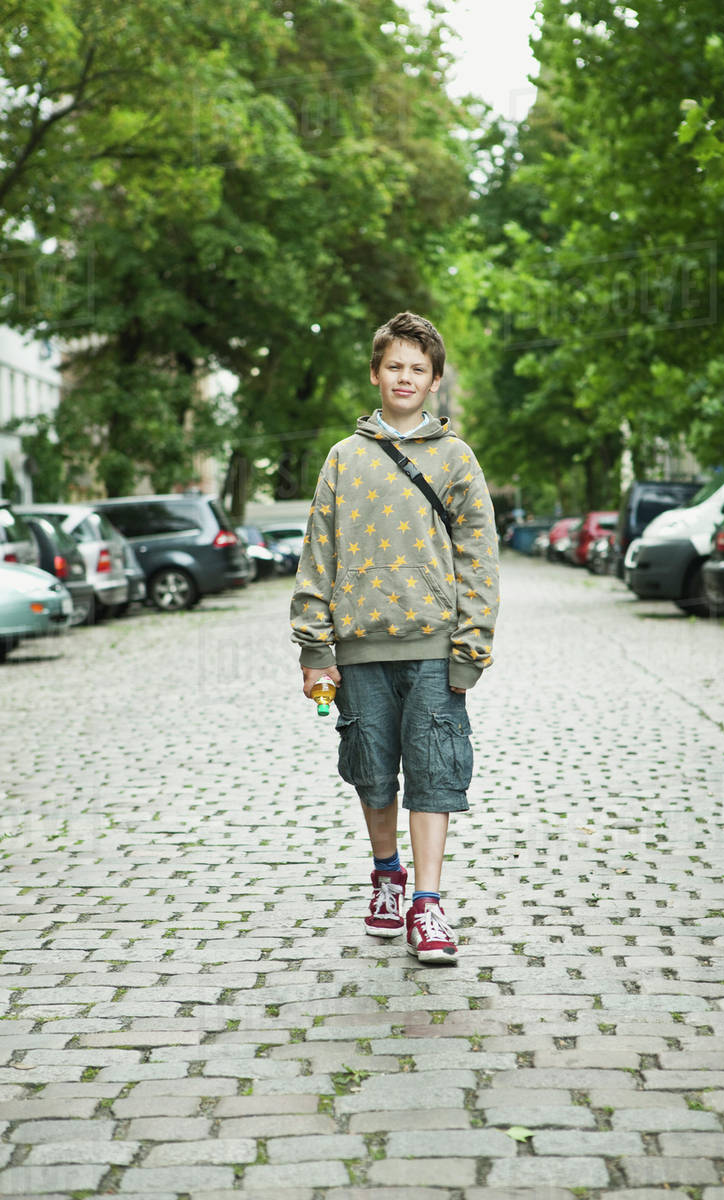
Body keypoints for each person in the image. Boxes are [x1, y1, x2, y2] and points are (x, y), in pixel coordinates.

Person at [290, 312, 499, 964]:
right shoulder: (343, 460)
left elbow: (479, 558)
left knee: (434, 775)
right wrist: (315, 650)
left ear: (433, 380)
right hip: (360, 650)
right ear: (376, 374)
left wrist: (471, 647)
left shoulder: (457, 459)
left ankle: (428, 905)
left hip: (436, 647)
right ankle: (387, 875)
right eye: (394, 367)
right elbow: (316, 554)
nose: (404, 377)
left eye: (418, 368)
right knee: (373, 774)